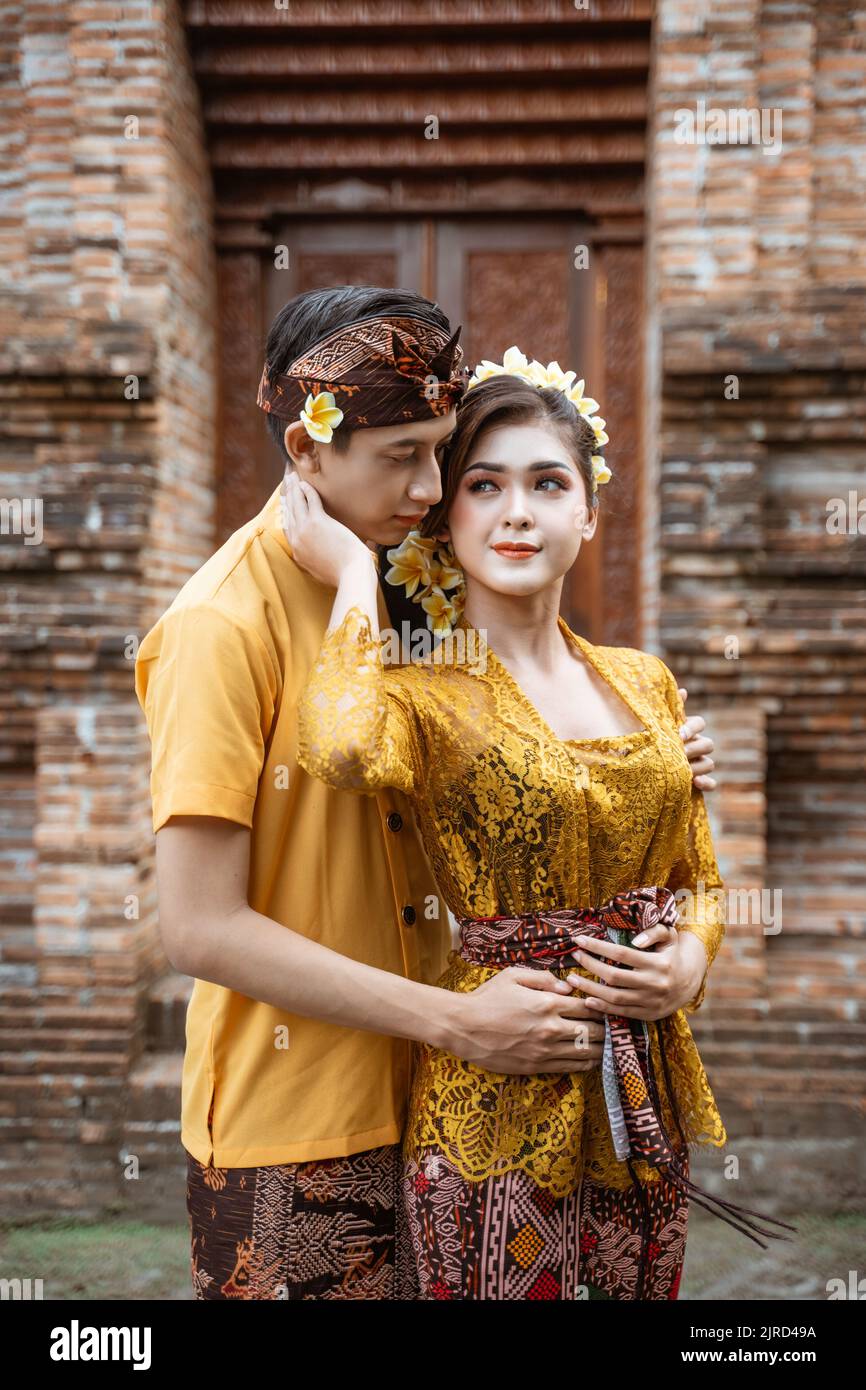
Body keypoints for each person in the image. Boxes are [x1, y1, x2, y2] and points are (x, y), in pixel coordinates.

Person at [134, 289, 718, 1301]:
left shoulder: (411, 595)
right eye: (400, 454)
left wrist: (641, 774)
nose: (430, 485)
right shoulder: (221, 627)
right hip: (298, 1122)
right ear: (305, 448)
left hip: (452, 1098)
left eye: (438, 452)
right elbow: (195, 927)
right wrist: (450, 1023)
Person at [289, 346, 795, 1300]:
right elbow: (342, 749)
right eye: (484, 485)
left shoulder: (645, 683)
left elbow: (699, 880)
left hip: (641, 1101)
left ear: (588, 511)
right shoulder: (422, 695)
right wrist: (357, 580)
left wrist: (688, 962)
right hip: (496, 1101)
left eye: (547, 483)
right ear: (448, 518)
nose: (517, 510)